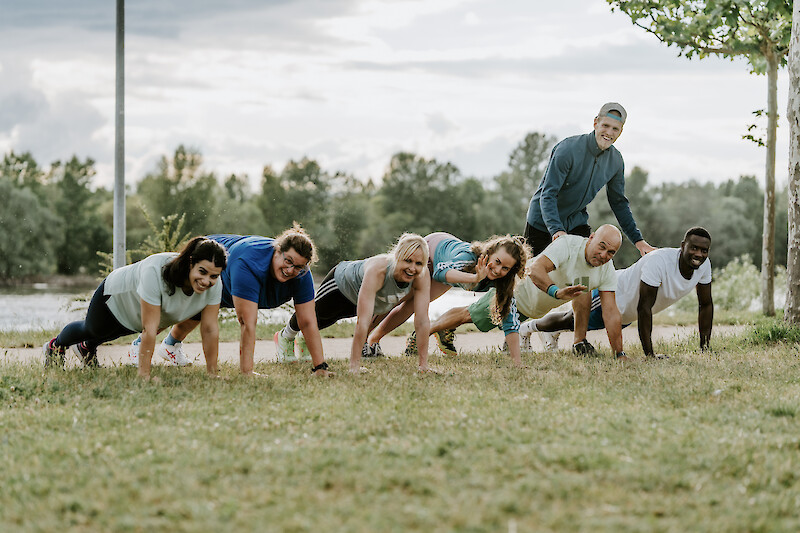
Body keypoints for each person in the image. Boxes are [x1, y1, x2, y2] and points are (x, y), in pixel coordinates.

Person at [523, 102, 655, 350]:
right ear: (595, 123)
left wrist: (639, 241)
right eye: (605, 125)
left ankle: (579, 341)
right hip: (542, 222)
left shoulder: (615, 161)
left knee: (583, 282)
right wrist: (556, 231)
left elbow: (619, 202)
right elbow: (548, 195)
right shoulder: (568, 149)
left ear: (621, 131)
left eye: (615, 129)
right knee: (527, 282)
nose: (609, 132)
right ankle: (514, 335)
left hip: (577, 222)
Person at [427, 224, 626, 364]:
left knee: (584, 294)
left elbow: (609, 311)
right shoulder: (568, 246)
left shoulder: (605, 270)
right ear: (591, 238)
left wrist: (618, 353)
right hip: (517, 291)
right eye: (602, 246)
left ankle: (443, 330)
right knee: (469, 315)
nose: (604, 255)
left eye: (611, 252)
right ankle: (423, 332)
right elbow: (536, 269)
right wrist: (556, 292)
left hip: (533, 308)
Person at [42, 237, 228, 380]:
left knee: (115, 332)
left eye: (213, 276)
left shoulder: (214, 284)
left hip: (134, 312)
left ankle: (86, 348)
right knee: (93, 329)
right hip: (116, 294)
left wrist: (213, 374)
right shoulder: (156, 271)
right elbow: (150, 330)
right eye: (202, 272)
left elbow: (210, 329)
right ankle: (55, 346)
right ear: (190, 262)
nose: (206, 281)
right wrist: (144, 375)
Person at [159, 224, 331, 377]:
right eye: (288, 261)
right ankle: (141, 343)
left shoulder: (302, 274)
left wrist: (320, 366)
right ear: (277, 250)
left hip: (237, 277)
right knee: (180, 307)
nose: (290, 270)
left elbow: (308, 322)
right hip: (215, 265)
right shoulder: (249, 261)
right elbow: (247, 323)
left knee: (195, 313)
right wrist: (247, 372)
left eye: (298, 267)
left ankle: (170, 346)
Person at [523, 227, 713, 359]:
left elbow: (705, 304)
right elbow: (644, 307)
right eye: (694, 248)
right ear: (683, 246)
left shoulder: (704, 266)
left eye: (704, 250)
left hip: (628, 311)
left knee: (581, 325)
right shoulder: (660, 261)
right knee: (571, 320)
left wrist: (705, 348)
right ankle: (529, 328)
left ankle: (551, 333)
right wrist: (650, 355)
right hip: (615, 294)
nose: (699, 254)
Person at [278, 233, 434, 373]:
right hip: (340, 284)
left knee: (330, 319)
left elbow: (421, 321)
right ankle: (285, 336)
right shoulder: (379, 270)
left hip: (358, 296)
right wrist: (354, 366)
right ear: (397, 256)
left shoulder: (421, 276)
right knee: (312, 316)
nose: (412, 268)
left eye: (418, 263)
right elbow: (362, 323)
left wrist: (423, 365)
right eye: (408, 261)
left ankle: (304, 338)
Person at [366, 233, 529, 358]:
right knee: (398, 297)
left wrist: (517, 363)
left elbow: (510, 322)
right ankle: (363, 340)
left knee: (413, 305)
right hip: (432, 252)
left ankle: (373, 342)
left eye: (506, 268)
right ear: (489, 253)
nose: (498, 270)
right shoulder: (468, 257)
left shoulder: (503, 282)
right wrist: (475, 277)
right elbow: (440, 271)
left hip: (447, 271)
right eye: (497, 262)